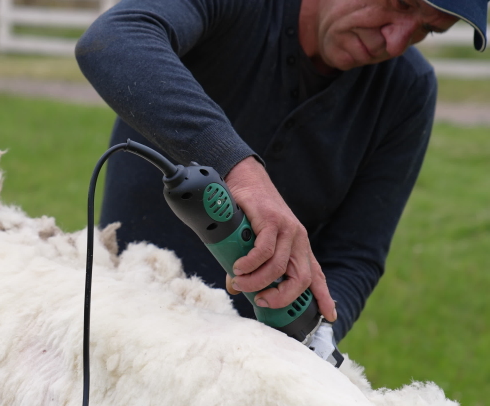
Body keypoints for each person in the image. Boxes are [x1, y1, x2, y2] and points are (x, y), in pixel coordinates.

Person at [76, 0, 487, 342]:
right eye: (401, 4)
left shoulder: (408, 89)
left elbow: (356, 254)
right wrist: (238, 169)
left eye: (426, 30)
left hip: (253, 357)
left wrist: (312, 339)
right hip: (120, 316)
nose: (396, 41)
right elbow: (115, 39)